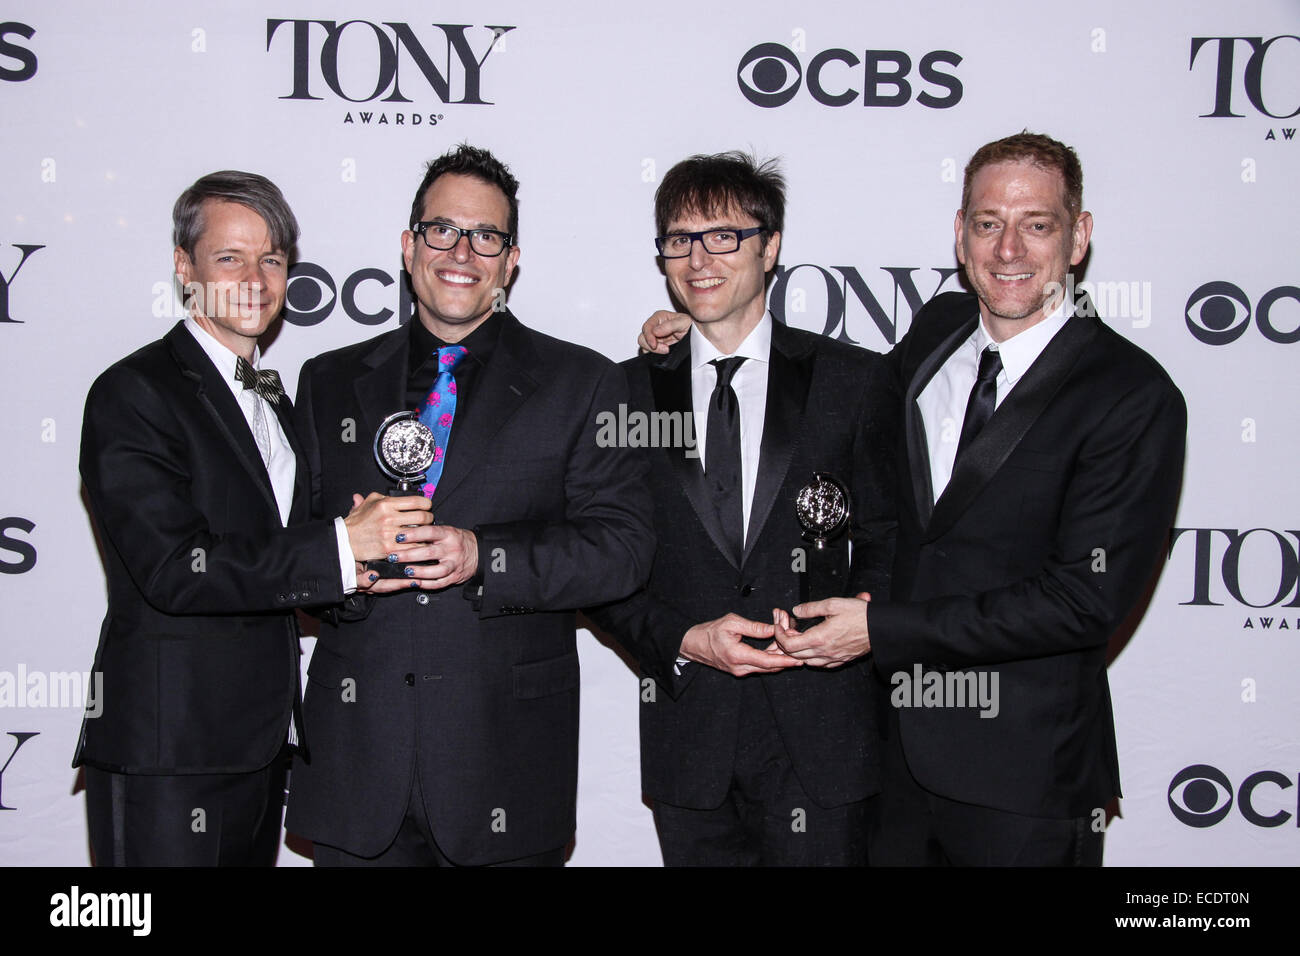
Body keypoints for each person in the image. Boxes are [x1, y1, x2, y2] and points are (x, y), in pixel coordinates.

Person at [644, 133, 1188, 866]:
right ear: (960, 234)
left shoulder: (1131, 394)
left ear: (1079, 236)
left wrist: (884, 630)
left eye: (1038, 224)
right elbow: (819, 403)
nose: (1008, 249)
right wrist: (704, 341)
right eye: (988, 223)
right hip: (890, 761)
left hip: (1022, 774)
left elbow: (1085, 601)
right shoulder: (937, 333)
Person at [285, 144, 655, 867]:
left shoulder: (582, 383)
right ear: (408, 245)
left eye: (486, 236)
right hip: (357, 766)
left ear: (511, 259)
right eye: (442, 230)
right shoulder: (328, 381)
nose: (462, 252)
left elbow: (622, 549)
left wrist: (483, 555)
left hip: (505, 767)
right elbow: (294, 551)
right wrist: (347, 567)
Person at [76, 170, 432, 866]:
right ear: (185, 267)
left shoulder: (276, 401)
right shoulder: (133, 392)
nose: (255, 276)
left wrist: (357, 572)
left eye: (271, 258)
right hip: (168, 750)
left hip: (264, 747)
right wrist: (335, 546)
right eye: (228, 257)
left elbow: (281, 564)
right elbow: (176, 569)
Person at [588, 152, 897, 865]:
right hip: (691, 738)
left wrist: (864, 619)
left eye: (723, 235)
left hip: (825, 739)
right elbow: (601, 564)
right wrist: (682, 640)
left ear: (772, 247)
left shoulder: (854, 381)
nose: (699, 258)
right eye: (679, 239)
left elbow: (891, 538)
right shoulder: (626, 393)